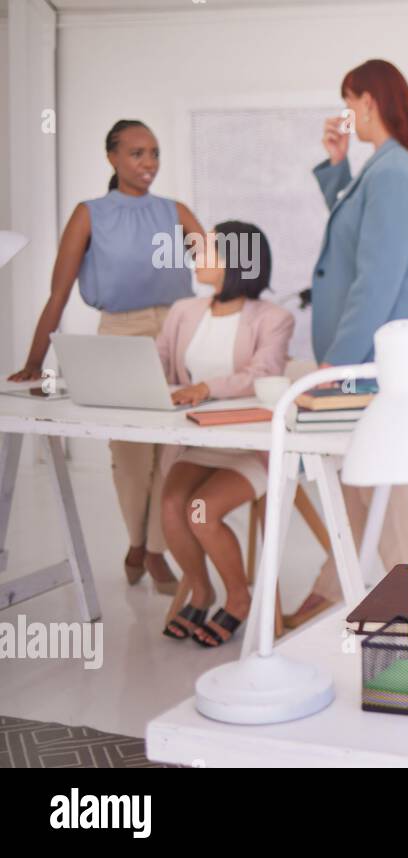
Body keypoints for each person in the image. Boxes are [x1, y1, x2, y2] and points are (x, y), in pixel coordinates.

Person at [8, 119, 204, 594]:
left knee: (174, 452)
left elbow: (217, 268)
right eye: (137, 153)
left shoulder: (175, 211)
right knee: (130, 454)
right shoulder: (89, 214)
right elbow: (58, 294)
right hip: (121, 333)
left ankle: (156, 551)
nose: (149, 163)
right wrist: (35, 360)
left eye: (154, 153)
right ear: (112, 158)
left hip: (179, 331)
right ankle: (136, 542)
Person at [284, 59, 408, 627]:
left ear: (368, 101)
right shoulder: (385, 169)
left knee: (386, 489)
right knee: (356, 479)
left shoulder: (395, 172)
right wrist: (336, 167)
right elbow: (358, 244)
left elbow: (377, 280)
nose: (346, 113)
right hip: (375, 363)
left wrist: (335, 362)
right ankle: (336, 588)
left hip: (375, 366)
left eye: (349, 101)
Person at [155, 221, 292, 646]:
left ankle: (238, 599)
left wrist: (207, 388)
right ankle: (201, 589)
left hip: (250, 445)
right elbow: (158, 365)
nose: (197, 255)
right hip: (199, 441)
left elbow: (263, 373)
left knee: (200, 510)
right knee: (173, 505)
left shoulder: (273, 318)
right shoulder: (184, 311)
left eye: (209, 249)